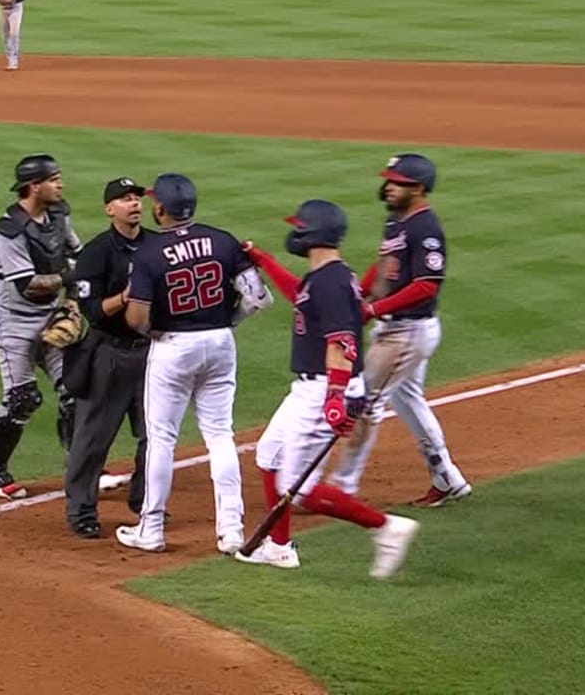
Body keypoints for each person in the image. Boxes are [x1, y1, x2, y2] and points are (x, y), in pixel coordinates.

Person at [234, 199, 421, 579]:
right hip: (309, 389)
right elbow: (300, 297)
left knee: (300, 490)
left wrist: (336, 398)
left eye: (300, 226)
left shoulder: (332, 282)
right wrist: (265, 261)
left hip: (323, 390)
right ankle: (280, 548)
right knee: (268, 454)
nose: (295, 232)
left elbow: (342, 344)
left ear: (312, 233)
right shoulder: (325, 277)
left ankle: (386, 527)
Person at [114, 173, 272, 555]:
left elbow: (136, 319)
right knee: (220, 435)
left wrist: (154, 332)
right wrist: (226, 322)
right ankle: (232, 531)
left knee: (162, 439)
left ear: (159, 209)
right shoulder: (223, 240)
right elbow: (258, 298)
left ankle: (151, 529)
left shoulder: (149, 254)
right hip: (220, 343)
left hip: (172, 347)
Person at [326, 153, 473, 508]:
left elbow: (426, 285)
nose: (389, 186)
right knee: (408, 401)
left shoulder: (425, 228)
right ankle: (448, 478)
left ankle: (341, 489)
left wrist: (374, 308)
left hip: (406, 333)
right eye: (388, 179)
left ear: (419, 188)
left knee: (362, 405)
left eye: (398, 182)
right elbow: (384, 268)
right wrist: (358, 296)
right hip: (396, 329)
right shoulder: (396, 222)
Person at [0, 154, 82, 500]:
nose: (60, 184)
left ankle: (80, 465)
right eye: (54, 179)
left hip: (52, 318)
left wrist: (73, 302)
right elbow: (29, 285)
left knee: (75, 391)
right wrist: (68, 277)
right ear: (34, 186)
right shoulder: (9, 231)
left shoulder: (59, 215)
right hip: (14, 325)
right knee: (22, 399)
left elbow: (77, 255)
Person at [61, 176, 154, 539]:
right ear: (109, 209)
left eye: (137, 198)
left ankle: (144, 499)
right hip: (110, 353)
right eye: (125, 199)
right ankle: (81, 509)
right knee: (93, 437)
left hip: (152, 353)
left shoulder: (156, 245)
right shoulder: (97, 252)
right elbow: (92, 311)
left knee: (155, 433)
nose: (134, 204)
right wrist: (128, 297)